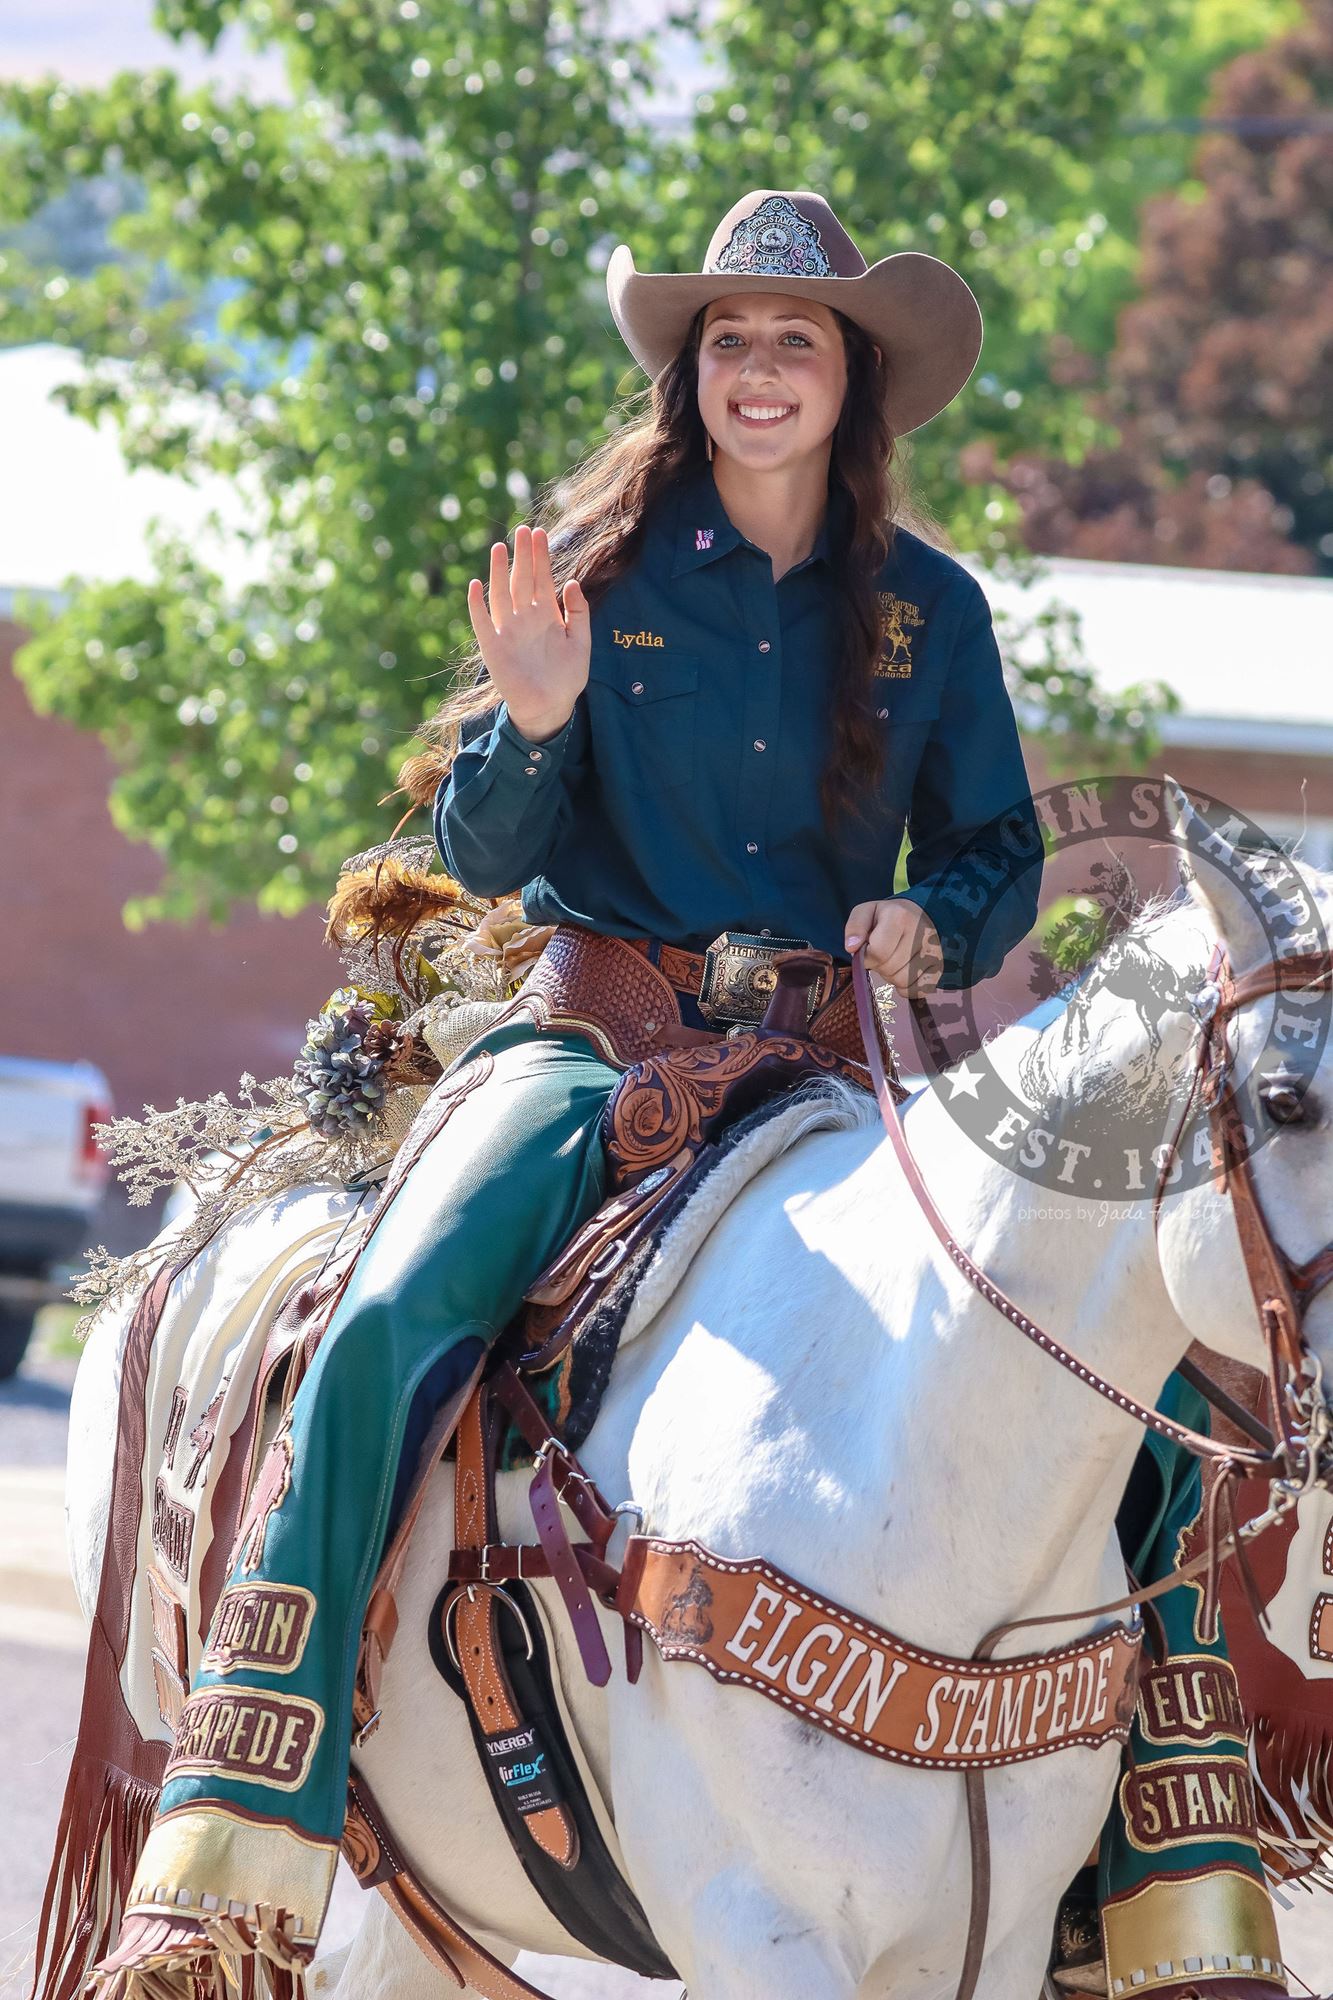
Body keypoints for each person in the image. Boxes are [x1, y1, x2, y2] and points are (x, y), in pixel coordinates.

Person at [82, 186, 1255, 2000]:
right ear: (686, 372)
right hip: (593, 1042)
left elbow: (1001, 851)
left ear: (849, 378)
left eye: (792, 340)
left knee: (1111, 1382)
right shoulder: (595, 571)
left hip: (829, 1064)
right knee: (397, 1309)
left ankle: (1164, 1891)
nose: (757, 370)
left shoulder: (929, 612)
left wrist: (930, 922)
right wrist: (532, 718)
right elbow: (480, 846)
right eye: (726, 339)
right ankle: (251, 1806)